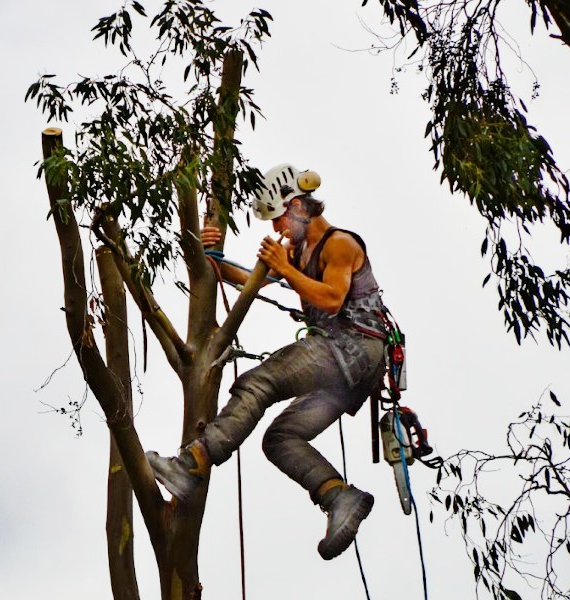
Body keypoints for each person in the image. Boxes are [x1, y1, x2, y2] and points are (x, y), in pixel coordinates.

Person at [147, 164, 391, 560]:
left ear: (297, 206)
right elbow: (251, 279)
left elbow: (331, 299)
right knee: (280, 439)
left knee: (261, 381)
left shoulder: (340, 245)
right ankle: (338, 496)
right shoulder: (296, 253)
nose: (278, 227)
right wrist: (207, 255)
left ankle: (192, 463)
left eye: (279, 217)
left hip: (354, 347)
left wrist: (285, 268)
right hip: (347, 370)